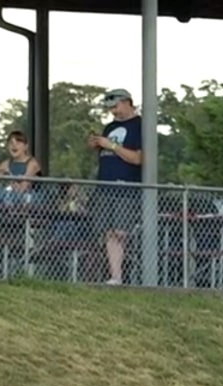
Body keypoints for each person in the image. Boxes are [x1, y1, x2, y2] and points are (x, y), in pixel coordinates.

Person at [87, 87, 143, 285]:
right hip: (105, 186)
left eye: (116, 106)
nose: (114, 111)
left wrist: (110, 145)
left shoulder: (139, 125)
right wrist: (97, 145)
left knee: (120, 231)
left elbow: (137, 158)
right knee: (108, 232)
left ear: (127, 102)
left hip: (126, 187)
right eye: (110, 108)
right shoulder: (109, 127)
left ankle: (128, 273)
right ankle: (115, 276)